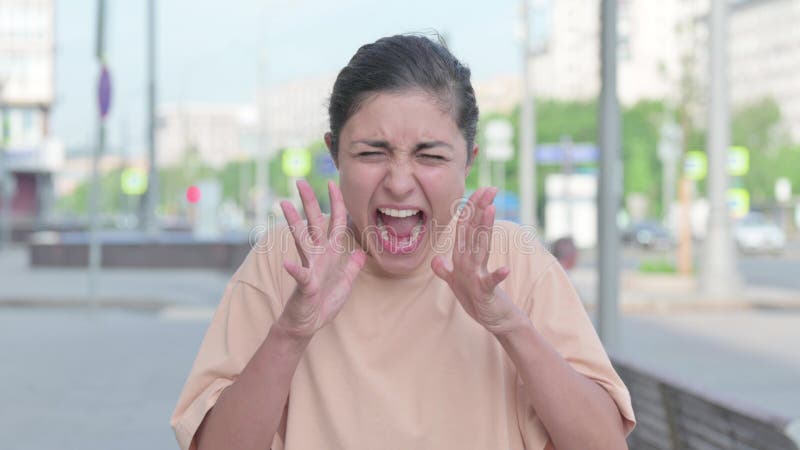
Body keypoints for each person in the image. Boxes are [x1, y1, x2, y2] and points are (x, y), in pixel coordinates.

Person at [171, 34, 635, 450]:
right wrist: (291, 334)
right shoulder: (286, 262)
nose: (398, 182)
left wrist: (506, 323)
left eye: (429, 155)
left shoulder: (515, 261)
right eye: (372, 153)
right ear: (334, 154)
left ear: (467, 162)